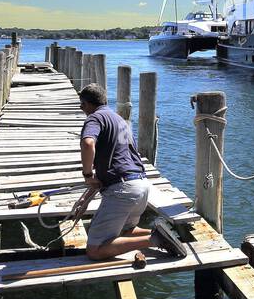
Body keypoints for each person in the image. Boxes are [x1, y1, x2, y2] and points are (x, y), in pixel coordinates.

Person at [76, 83, 183, 260]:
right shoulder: (121, 121)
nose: (82, 109)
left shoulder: (94, 118)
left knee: (94, 250)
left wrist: (87, 175)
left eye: (82, 105)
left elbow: (88, 144)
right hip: (141, 185)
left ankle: (155, 239)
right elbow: (119, 161)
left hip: (123, 190)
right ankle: (166, 234)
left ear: (87, 104)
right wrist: (87, 197)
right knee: (126, 230)